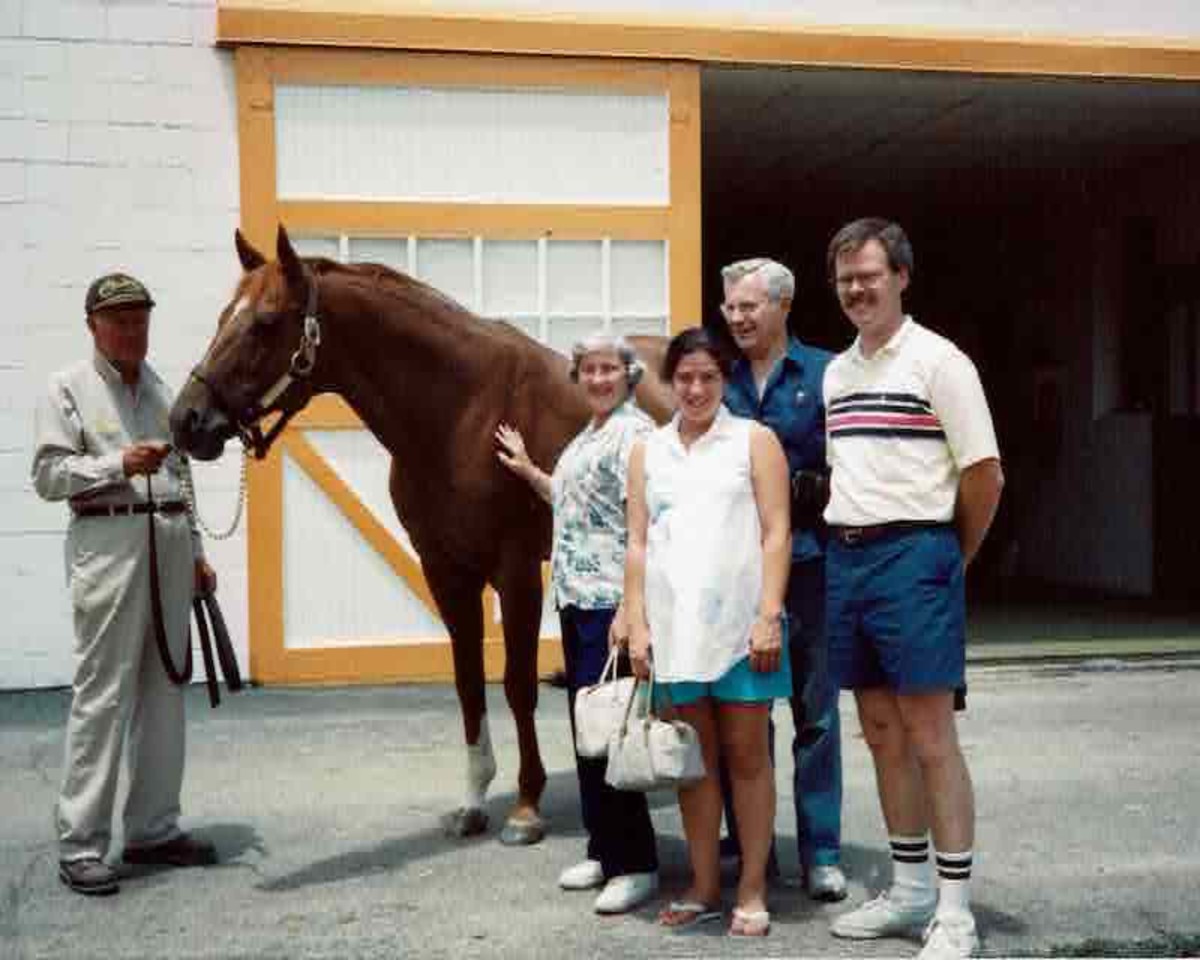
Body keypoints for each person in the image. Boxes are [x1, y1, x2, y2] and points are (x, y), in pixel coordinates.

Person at [821, 220, 1003, 959]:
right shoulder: (837, 374)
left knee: (930, 736)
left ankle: (955, 913)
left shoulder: (941, 362)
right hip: (847, 558)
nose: (856, 290)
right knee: (881, 732)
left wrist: (950, 557)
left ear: (901, 276)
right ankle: (910, 890)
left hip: (916, 553)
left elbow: (984, 474)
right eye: (845, 280)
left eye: (869, 276)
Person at [32, 272, 220, 896]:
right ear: (93, 326)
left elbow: (182, 475)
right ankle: (81, 843)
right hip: (108, 540)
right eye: (119, 320)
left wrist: (196, 552)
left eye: (140, 320)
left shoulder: (164, 391)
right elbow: (48, 476)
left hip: (168, 539)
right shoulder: (67, 388)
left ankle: (153, 828)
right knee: (103, 693)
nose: (133, 331)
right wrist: (118, 463)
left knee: (165, 689)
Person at [624, 327, 792, 937]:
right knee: (693, 764)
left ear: (726, 381)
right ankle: (703, 885)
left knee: (748, 759)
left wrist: (768, 614)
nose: (695, 389)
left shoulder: (754, 441)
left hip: (743, 630)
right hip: (675, 632)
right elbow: (637, 541)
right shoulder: (648, 451)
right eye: (685, 378)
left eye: (708, 377)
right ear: (670, 382)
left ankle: (751, 886)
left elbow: (777, 531)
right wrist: (635, 619)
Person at [494, 332, 659, 915]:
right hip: (575, 600)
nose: (598, 378)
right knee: (589, 729)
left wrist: (631, 608)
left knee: (614, 733)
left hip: (612, 603)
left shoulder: (636, 434)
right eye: (588, 369)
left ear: (628, 374)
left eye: (609, 368)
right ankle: (603, 847)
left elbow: (644, 524)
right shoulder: (590, 434)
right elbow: (572, 504)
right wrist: (529, 470)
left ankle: (635, 863)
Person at [719, 257, 847, 901]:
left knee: (815, 714)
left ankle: (821, 852)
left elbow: (859, 458)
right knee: (744, 715)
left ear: (783, 305)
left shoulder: (827, 373)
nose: (738, 318)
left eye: (749, 306)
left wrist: (822, 486)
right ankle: (753, 847)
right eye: (730, 308)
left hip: (811, 564)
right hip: (736, 571)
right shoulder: (719, 381)